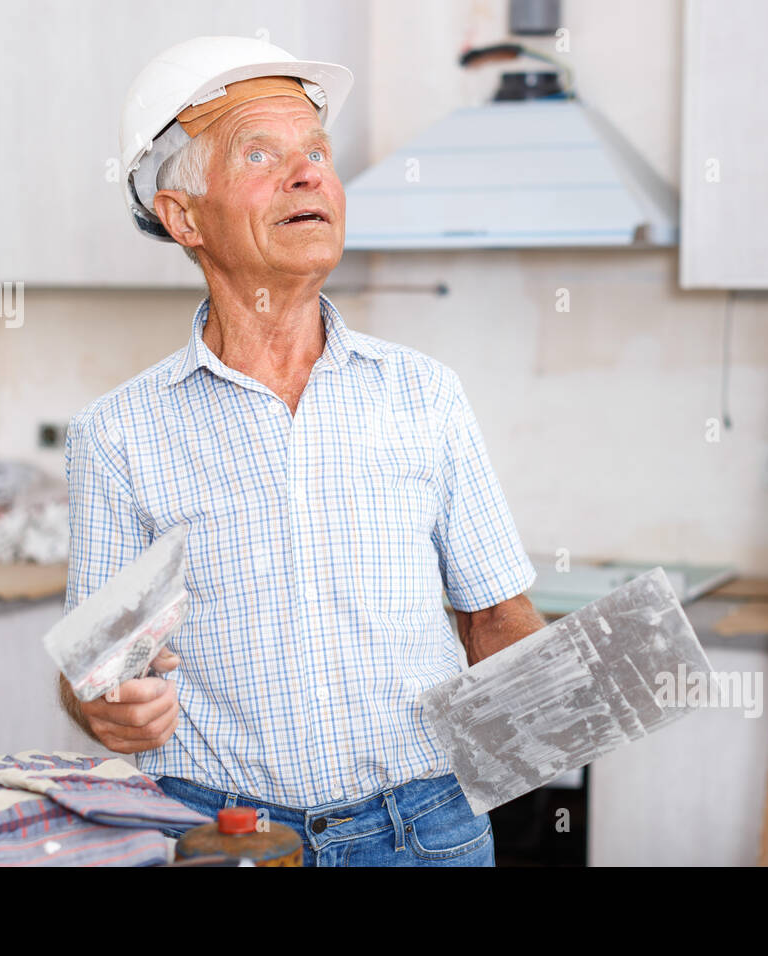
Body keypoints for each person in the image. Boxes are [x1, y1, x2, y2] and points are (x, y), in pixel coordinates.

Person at [58, 36, 545, 866]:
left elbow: (495, 619)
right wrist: (98, 707)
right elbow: (104, 672)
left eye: (317, 151)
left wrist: (563, 700)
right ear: (184, 216)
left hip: (426, 829)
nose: (309, 173)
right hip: (222, 837)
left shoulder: (423, 393)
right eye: (261, 153)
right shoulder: (117, 434)